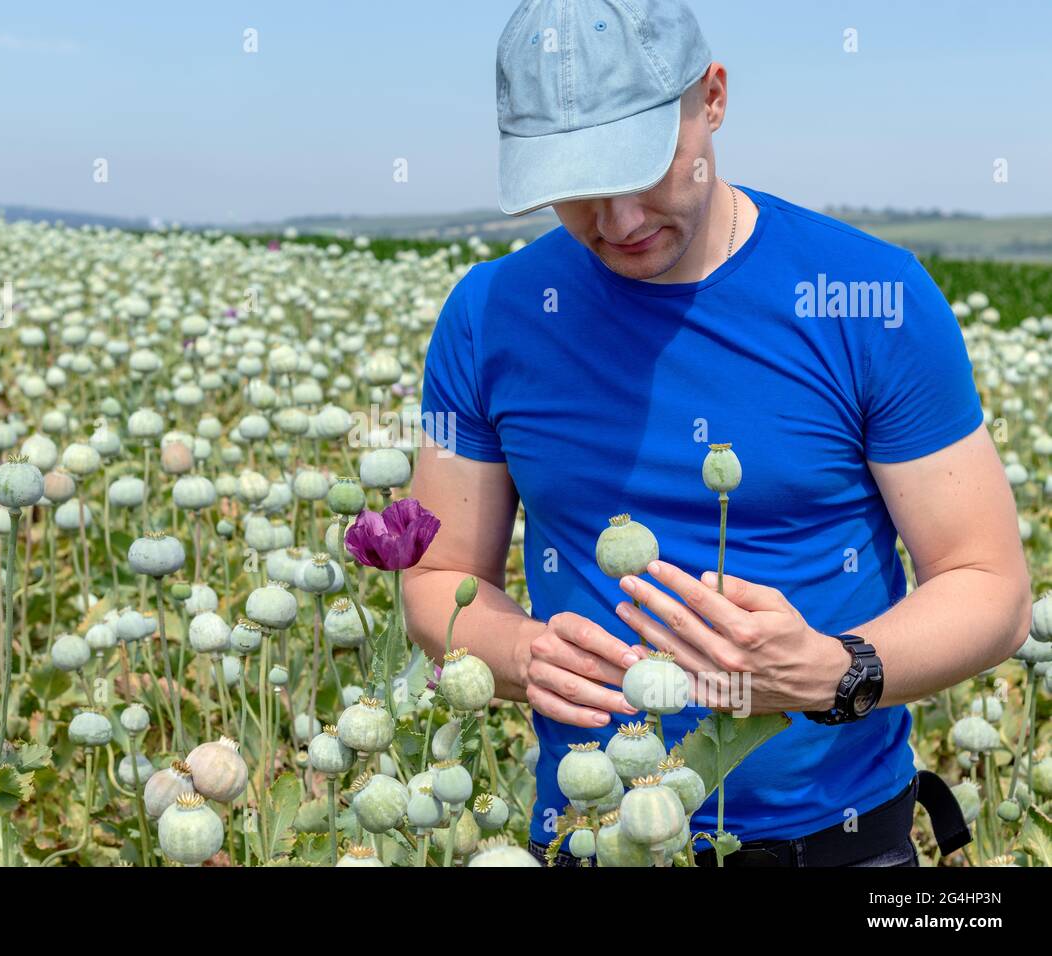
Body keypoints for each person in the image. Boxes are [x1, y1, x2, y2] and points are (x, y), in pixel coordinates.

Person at [404, 0, 1030, 866]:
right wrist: (515, 651)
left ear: (714, 99)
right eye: (577, 188)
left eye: (647, 166)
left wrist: (833, 672)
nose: (618, 220)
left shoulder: (870, 297)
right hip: (594, 838)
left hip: (835, 842)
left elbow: (990, 584)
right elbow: (437, 579)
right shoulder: (491, 314)